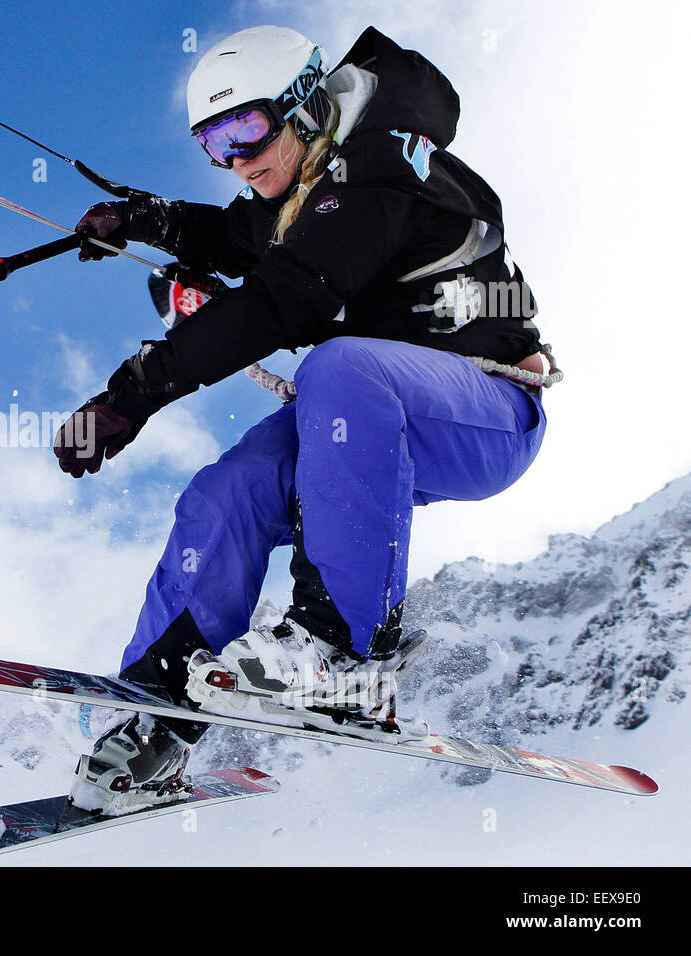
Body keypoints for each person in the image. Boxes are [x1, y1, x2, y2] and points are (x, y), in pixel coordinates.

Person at [55, 25, 553, 817]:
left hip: (484, 412)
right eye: (213, 141)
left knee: (339, 362)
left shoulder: (377, 171)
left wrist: (131, 394)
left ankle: (347, 652)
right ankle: (156, 716)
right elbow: (228, 235)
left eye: (247, 128)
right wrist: (139, 218)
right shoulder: (295, 187)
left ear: (307, 106)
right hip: (367, 426)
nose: (235, 159)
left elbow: (285, 297)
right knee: (231, 487)